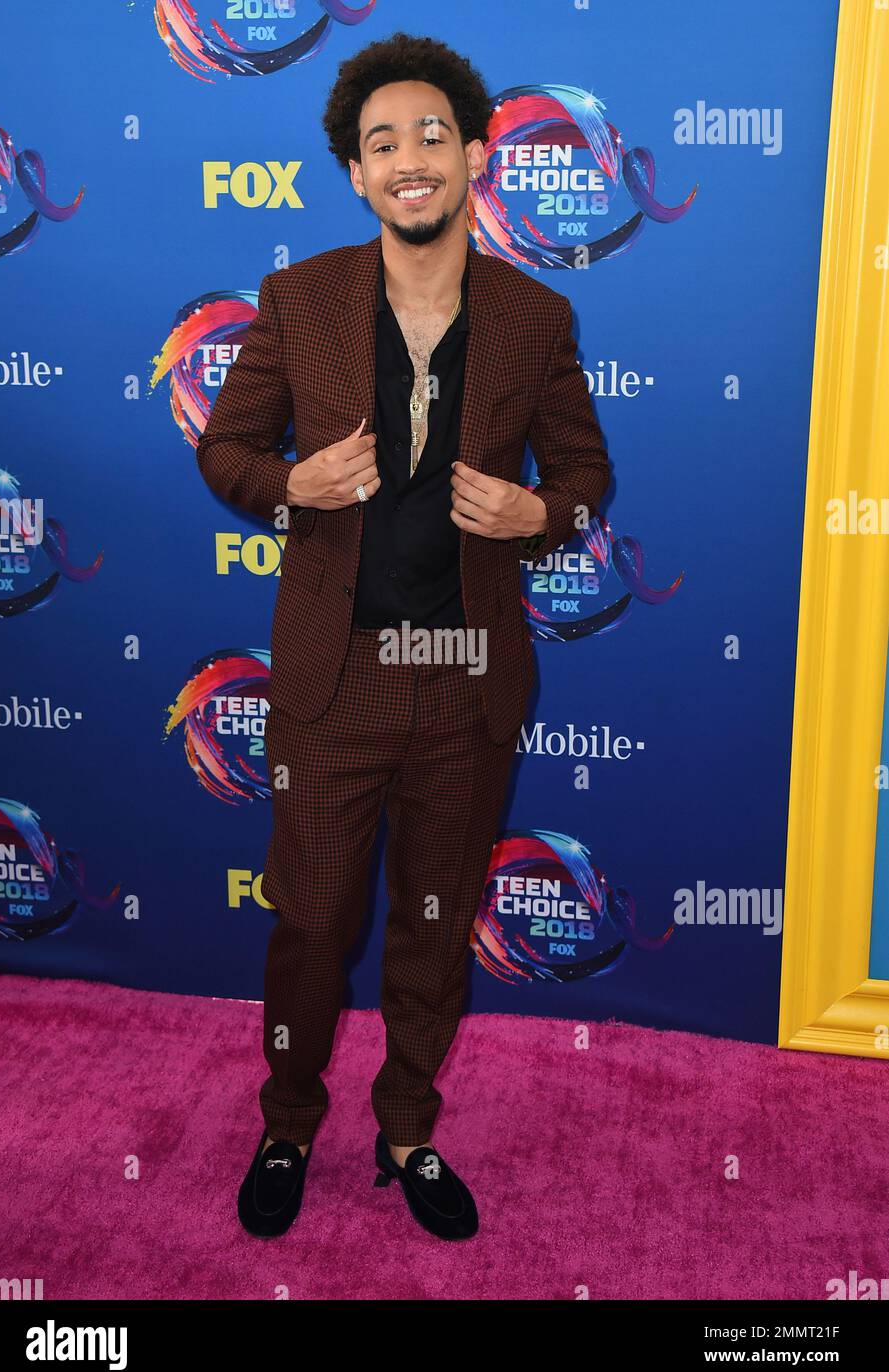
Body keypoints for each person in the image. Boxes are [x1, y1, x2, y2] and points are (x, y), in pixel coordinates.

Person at [196, 30, 610, 1241]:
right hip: (335, 686)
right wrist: (291, 488)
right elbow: (223, 449)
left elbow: (585, 472)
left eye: (432, 133)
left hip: (467, 683)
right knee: (313, 926)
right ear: (356, 174)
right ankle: (286, 1119)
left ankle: (409, 1130)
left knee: (434, 930)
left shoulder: (536, 316)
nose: (410, 157)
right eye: (383, 143)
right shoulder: (298, 300)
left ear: (476, 153)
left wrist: (543, 512)